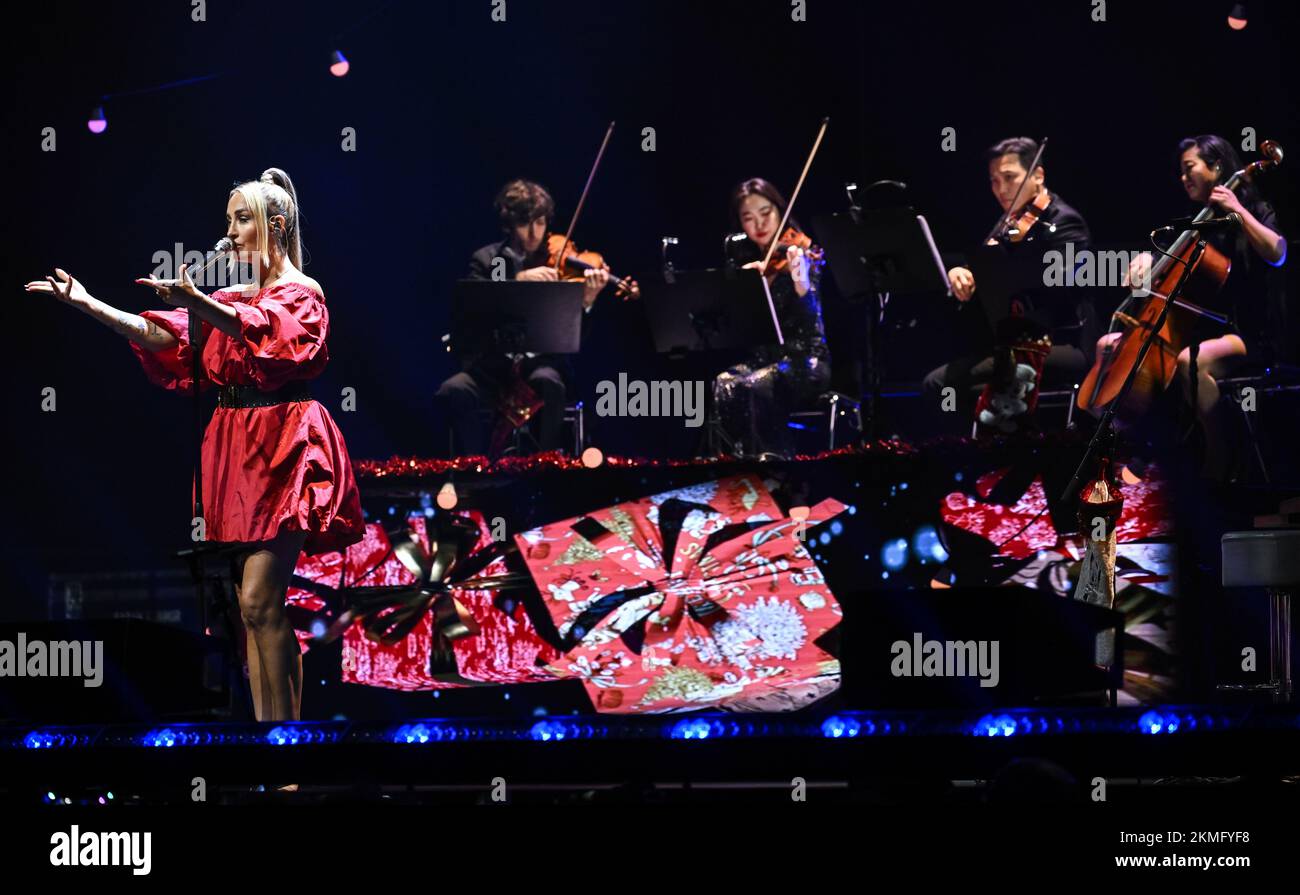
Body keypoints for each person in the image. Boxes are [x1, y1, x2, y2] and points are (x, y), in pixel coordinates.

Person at [25, 168, 364, 728]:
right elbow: (166, 335)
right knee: (248, 613)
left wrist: (199, 302)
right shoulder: (226, 298)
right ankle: (275, 740)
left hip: (286, 442)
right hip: (235, 445)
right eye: (227, 219)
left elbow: (267, 337)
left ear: (274, 226)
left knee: (259, 599)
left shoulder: (302, 293)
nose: (228, 232)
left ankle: (288, 748)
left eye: (241, 219)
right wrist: (89, 304)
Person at [1109, 134, 1286, 475]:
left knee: (1191, 360)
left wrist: (1238, 210)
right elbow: (1166, 269)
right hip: (1200, 328)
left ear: (1217, 167)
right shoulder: (1195, 221)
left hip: (1249, 333)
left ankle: (1219, 456)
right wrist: (1146, 262)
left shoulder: (1254, 210)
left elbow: (1278, 253)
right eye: (1180, 171)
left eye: (1189, 167)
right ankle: (1145, 449)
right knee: (1110, 347)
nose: (1183, 177)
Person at [922, 137, 1097, 428]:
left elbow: (1065, 288)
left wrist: (1008, 271)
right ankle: (987, 459)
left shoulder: (1065, 222)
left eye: (1009, 178)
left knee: (941, 385)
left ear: (1037, 176)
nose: (1001, 189)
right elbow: (986, 268)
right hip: (1014, 342)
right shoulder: (1009, 223)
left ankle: (1001, 459)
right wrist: (961, 273)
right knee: (943, 381)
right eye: (994, 181)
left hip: (1061, 343)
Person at [436, 179, 612, 455]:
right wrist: (517, 281)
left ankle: (544, 466)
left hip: (539, 364)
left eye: (540, 223)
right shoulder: (486, 260)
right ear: (508, 223)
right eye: (524, 223)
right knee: (453, 390)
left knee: (549, 383)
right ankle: (473, 470)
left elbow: (575, 340)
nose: (533, 233)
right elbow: (474, 310)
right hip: (493, 367)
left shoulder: (559, 259)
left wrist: (586, 303)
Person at [712, 177, 831, 457]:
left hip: (806, 360)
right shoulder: (746, 259)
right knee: (724, 382)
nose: (760, 225)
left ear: (780, 210)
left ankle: (776, 466)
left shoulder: (802, 253)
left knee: (758, 383)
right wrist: (744, 287)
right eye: (748, 218)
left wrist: (802, 284)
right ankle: (737, 464)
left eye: (766, 213)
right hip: (763, 359)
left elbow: (813, 317)